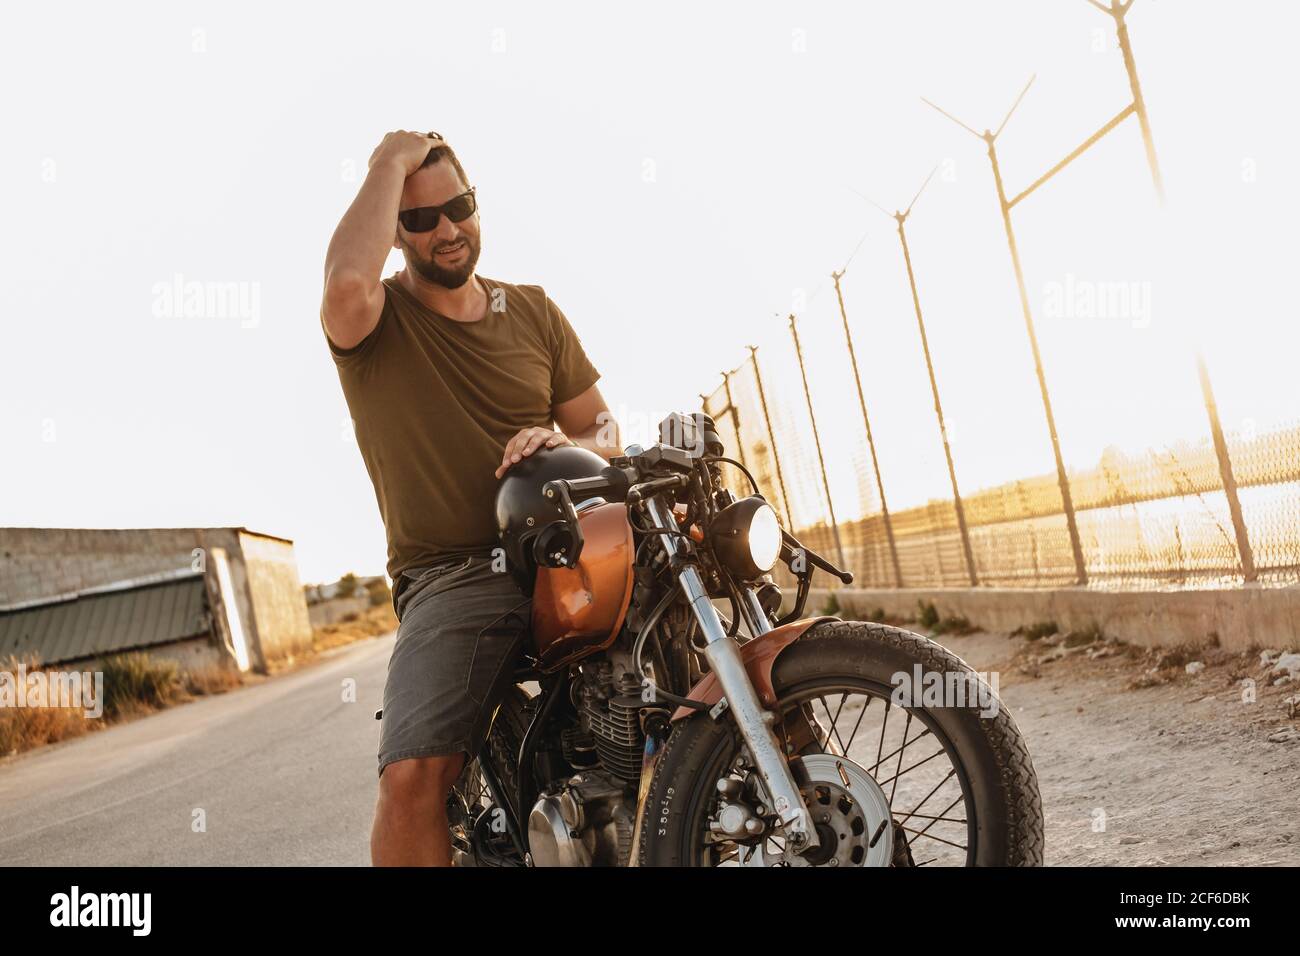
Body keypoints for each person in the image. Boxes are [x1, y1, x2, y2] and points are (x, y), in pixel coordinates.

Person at [320, 130, 620, 865]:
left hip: (564, 546)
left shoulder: (534, 310)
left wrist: (569, 446)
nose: (446, 229)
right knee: (412, 777)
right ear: (395, 232)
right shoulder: (375, 320)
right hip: (454, 573)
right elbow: (343, 288)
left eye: (458, 207)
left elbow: (604, 426)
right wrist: (387, 162)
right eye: (420, 219)